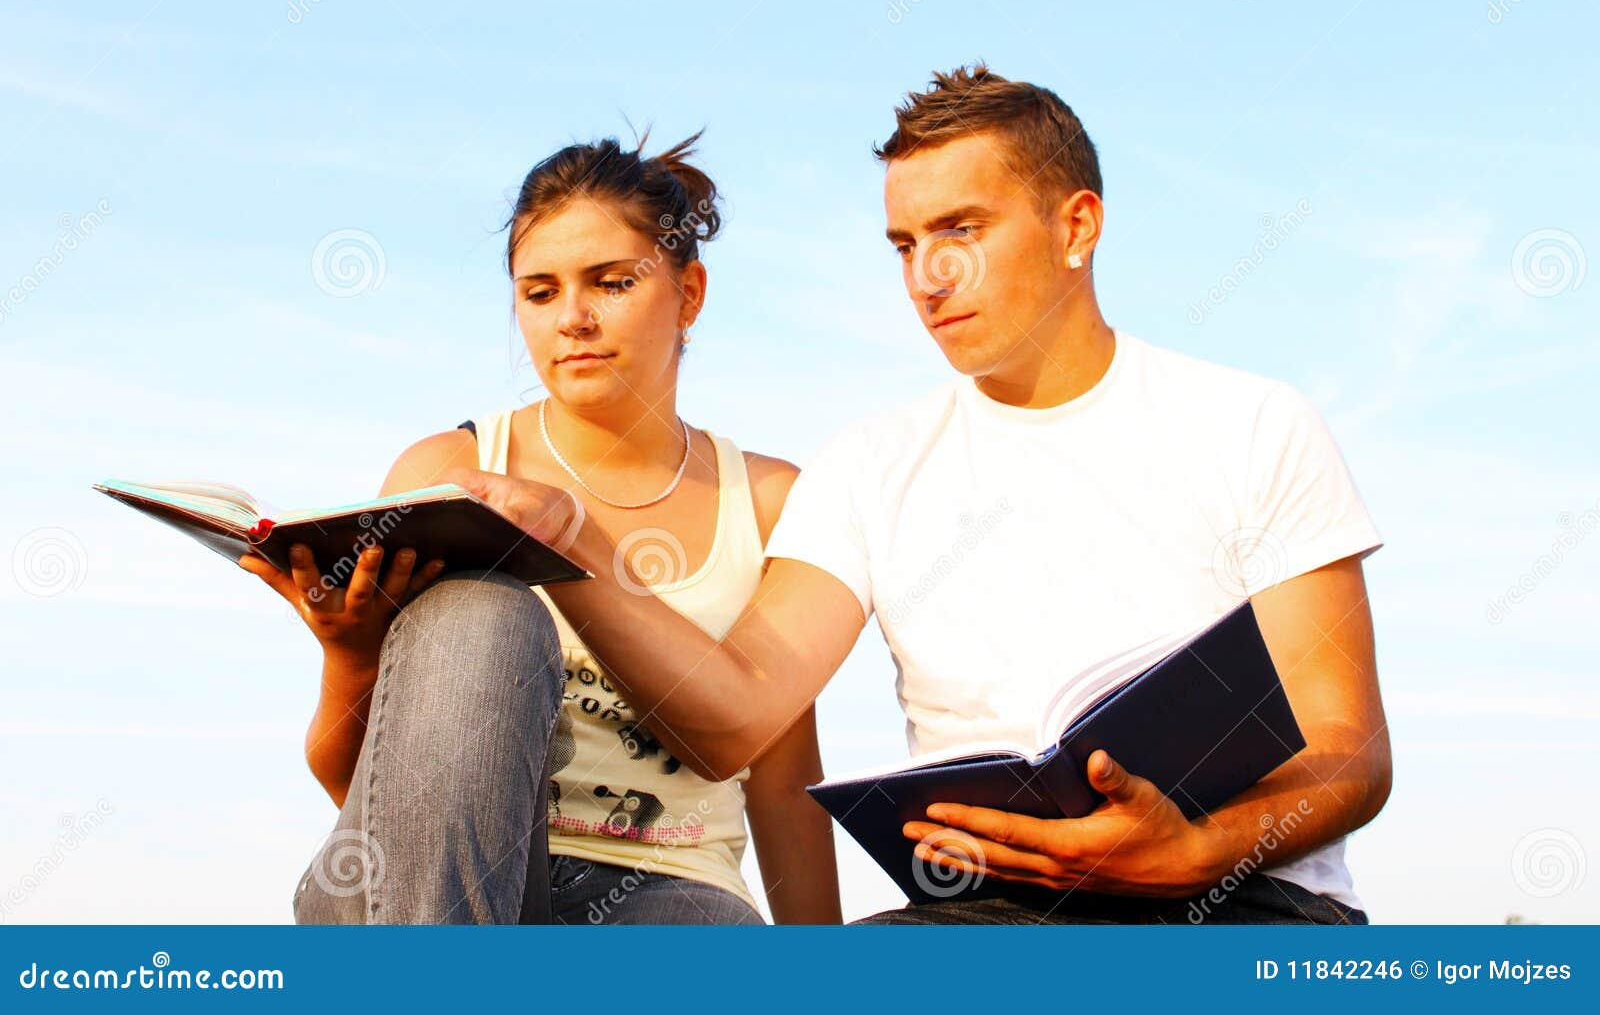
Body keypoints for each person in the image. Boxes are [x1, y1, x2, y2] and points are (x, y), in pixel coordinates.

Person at [452, 66, 1393, 925]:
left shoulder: (1254, 421)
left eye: (961, 231)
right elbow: (731, 716)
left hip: (1243, 904)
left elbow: (1349, 749)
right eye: (904, 243)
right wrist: (568, 548)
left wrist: (1193, 851)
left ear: (1076, 227)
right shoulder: (866, 466)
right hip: (980, 918)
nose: (926, 278)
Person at [242, 132, 841, 925]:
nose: (574, 319)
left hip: (663, 891)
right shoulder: (447, 468)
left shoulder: (768, 498)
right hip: (439, 884)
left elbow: (781, 771)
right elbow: (368, 794)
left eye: (612, 282)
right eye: (541, 291)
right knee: (486, 614)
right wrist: (347, 653)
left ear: (689, 293)